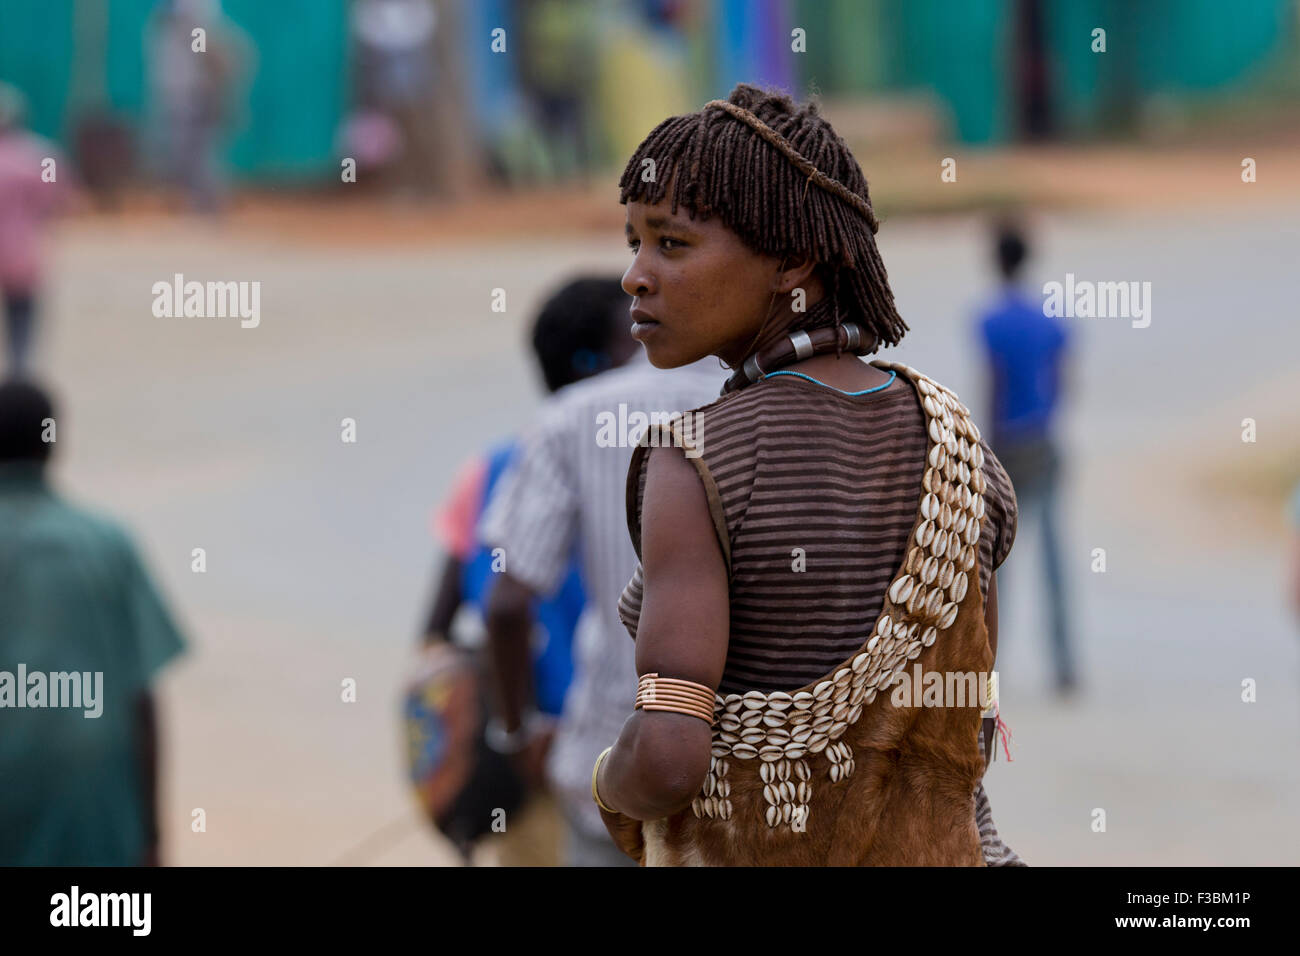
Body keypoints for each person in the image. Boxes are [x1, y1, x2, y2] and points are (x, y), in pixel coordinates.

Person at [591, 84, 1024, 865]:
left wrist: (606, 784)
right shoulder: (960, 449)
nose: (637, 276)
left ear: (794, 259)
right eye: (635, 244)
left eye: (673, 244)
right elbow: (969, 719)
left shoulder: (694, 462)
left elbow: (667, 758)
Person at [477, 300, 722, 867]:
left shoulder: (571, 417)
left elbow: (508, 604)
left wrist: (517, 732)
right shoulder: (781, 408)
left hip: (611, 768)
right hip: (757, 778)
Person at [410, 277, 636, 865]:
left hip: (530, 764)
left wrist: (506, 731)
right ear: (599, 367)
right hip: (623, 756)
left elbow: (438, 631)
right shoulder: (656, 459)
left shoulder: (488, 472)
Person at [0, 380, 187, 865]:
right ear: (53, 443)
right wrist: (153, 836)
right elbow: (141, 698)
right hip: (91, 804)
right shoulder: (108, 544)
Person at [976, 220, 1075, 695]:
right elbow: (1061, 385)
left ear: (996, 261)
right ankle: (1064, 664)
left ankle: (991, 662)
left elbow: (993, 387)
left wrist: (986, 453)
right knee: (1054, 557)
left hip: (1008, 447)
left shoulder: (991, 321)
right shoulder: (1052, 321)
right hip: (1045, 441)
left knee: (998, 564)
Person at [0, 84, 72, 376]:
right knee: (22, 319)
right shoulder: (42, 156)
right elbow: (60, 202)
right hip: (23, 254)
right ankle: (18, 376)